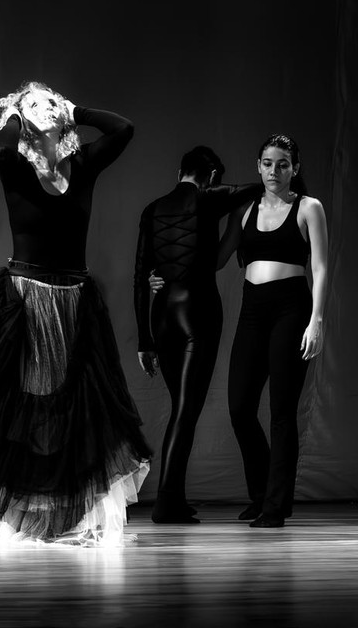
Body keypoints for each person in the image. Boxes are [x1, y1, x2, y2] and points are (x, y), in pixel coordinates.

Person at [0, 81, 153, 546]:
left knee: (72, 407)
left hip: (73, 298)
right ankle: (16, 515)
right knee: (20, 405)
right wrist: (17, 113)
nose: (45, 108)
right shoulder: (15, 166)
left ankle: (64, 518)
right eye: (35, 105)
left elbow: (124, 129)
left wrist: (77, 110)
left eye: (50, 102)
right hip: (25, 299)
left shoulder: (83, 165)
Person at [151, 133, 327, 528]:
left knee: (282, 412)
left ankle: (275, 506)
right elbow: (212, 259)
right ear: (257, 166)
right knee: (240, 408)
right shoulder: (245, 208)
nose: (274, 171)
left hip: (291, 308)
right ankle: (262, 495)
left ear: (294, 168)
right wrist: (162, 273)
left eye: (283, 164)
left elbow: (321, 267)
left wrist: (317, 319)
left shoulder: (308, 207)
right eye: (267, 163)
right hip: (253, 309)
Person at [134, 146, 260, 524]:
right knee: (185, 412)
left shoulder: (152, 209)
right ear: (210, 177)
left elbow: (141, 276)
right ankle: (167, 501)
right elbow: (257, 187)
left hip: (162, 315)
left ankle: (175, 497)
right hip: (198, 311)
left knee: (180, 409)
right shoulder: (208, 198)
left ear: (178, 171)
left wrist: (144, 340)